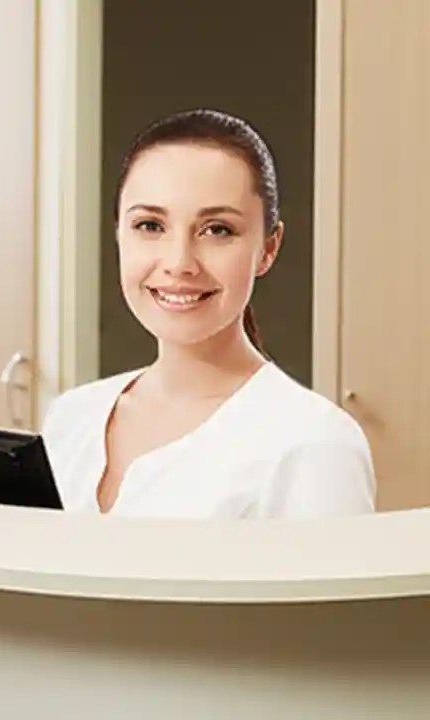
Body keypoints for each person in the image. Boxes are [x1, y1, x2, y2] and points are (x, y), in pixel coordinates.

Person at [41, 108, 375, 519]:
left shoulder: (315, 443)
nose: (179, 263)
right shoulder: (71, 418)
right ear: (118, 233)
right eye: (150, 225)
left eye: (218, 230)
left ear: (268, 248)